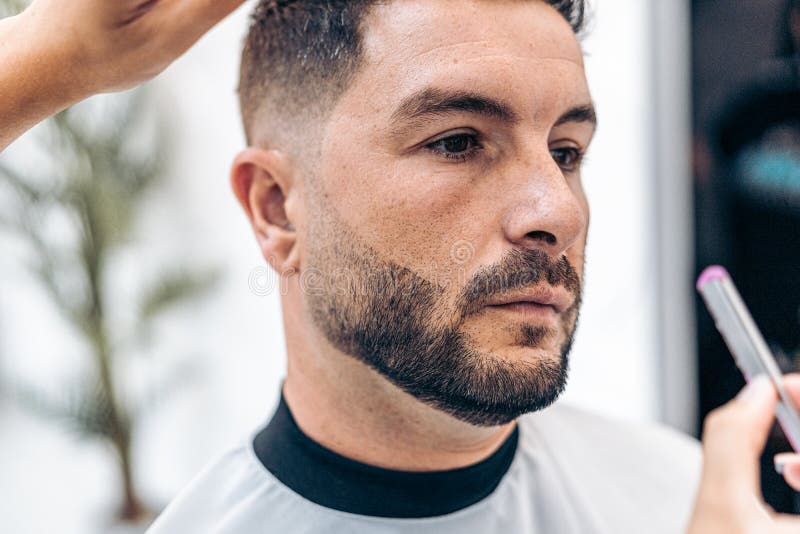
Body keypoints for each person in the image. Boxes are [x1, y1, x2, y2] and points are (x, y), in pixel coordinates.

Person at [2, 1, 800, 532]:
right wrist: (47, 60)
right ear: (277, 208)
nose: (557, 211)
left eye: (566, 151)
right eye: (457, 142)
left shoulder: (685, 496)